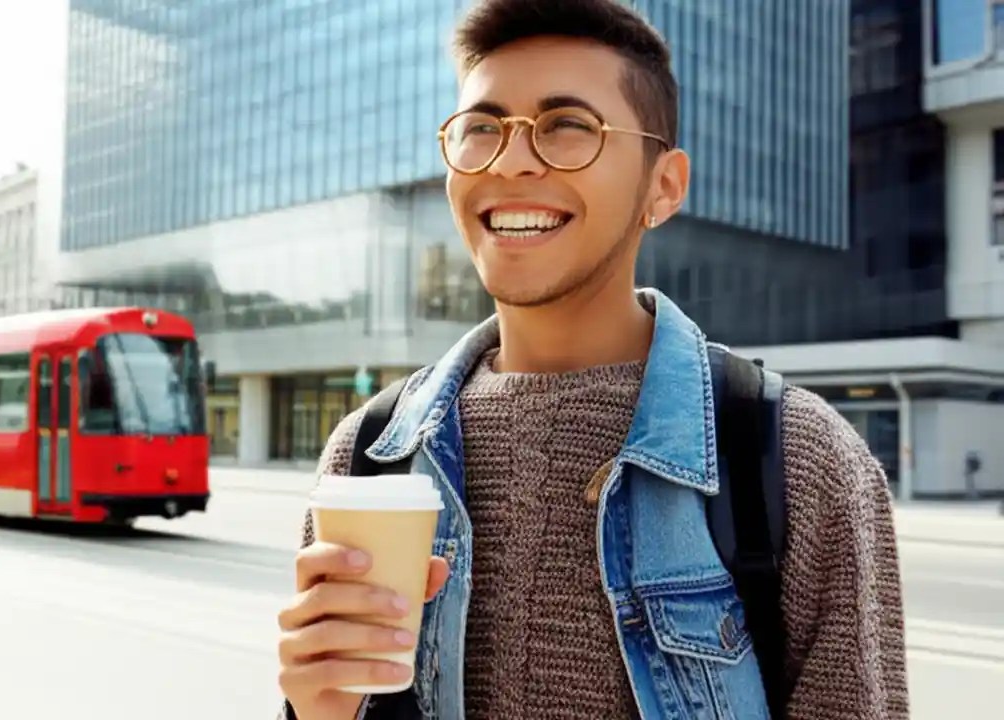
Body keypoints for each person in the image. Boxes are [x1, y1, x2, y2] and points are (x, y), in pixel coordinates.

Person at [276, 0, 908, 718]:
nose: (510, 161)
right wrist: (314, 708)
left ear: (663, 186)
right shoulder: (369, 455)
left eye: (566, 127)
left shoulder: (800, 461)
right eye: (482, 129)